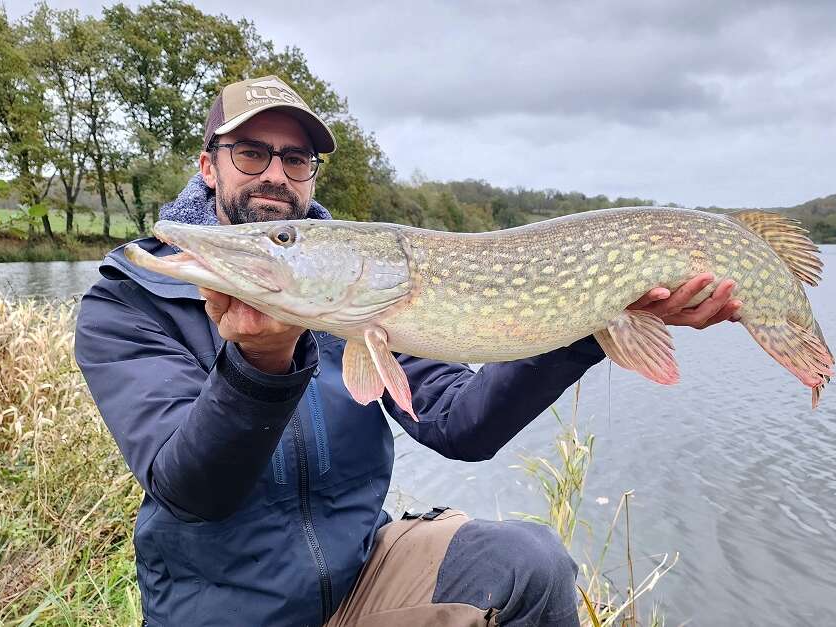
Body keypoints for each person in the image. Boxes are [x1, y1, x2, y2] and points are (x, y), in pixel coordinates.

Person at [75, 75, 741, 627]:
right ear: (208, 165)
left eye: (296, 159)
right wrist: (259, 365)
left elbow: (461, 421)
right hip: (219, 612)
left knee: (532, 563)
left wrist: (589, 317)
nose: (275, 174)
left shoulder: (361, 282)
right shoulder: (128, 303)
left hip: (361, 576)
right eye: (251, 152)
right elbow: (191, 491)